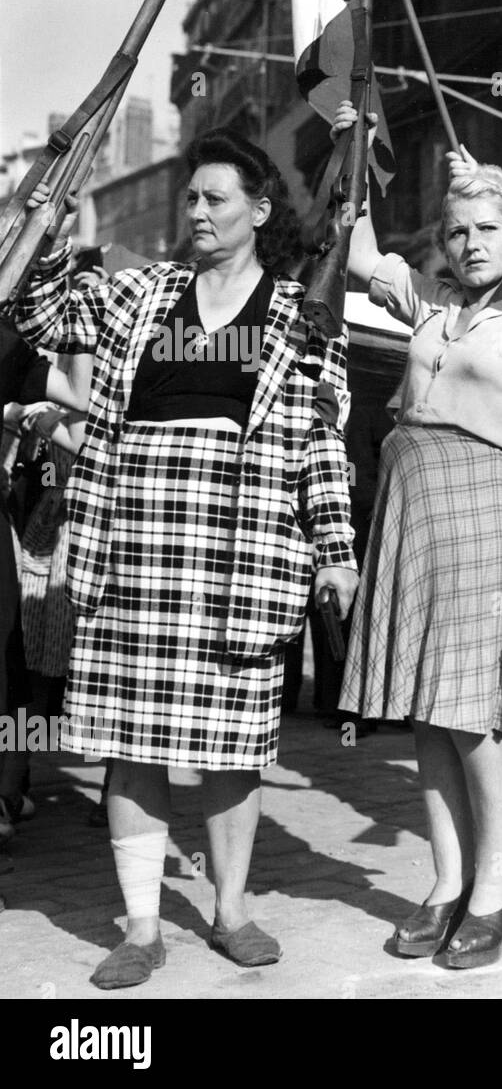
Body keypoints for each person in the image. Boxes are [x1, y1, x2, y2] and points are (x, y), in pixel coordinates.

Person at [14, 130, 358, 989]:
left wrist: (337, 550)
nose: (198, 212)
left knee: (232, 746)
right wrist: (43, 227)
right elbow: (37, 314)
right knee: (129, 744)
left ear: (260, 211)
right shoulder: (138, 290)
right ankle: (140, 923)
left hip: (240, 559)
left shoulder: (304, 314)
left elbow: (321, 445)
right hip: (133, 547)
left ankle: (231, 910)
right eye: (192, 199)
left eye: (216, 199)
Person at [333, 103, 502, 968]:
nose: (471, 242)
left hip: (480, 509)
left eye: (487, 228)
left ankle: (496, 889)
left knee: (477, 715)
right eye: (457, 228)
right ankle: (444, 883)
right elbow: (360, 253)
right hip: (405, 506)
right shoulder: (428, 299)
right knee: (424, 713)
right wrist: (357, 141)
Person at [0, 321, 87, 850]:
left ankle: (13, 785)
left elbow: (75, 442)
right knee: (25, 675)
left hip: (57, 545)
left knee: (33, 678)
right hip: (35, 542)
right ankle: (13, 785)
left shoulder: (38, 376)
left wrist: (38, 416)